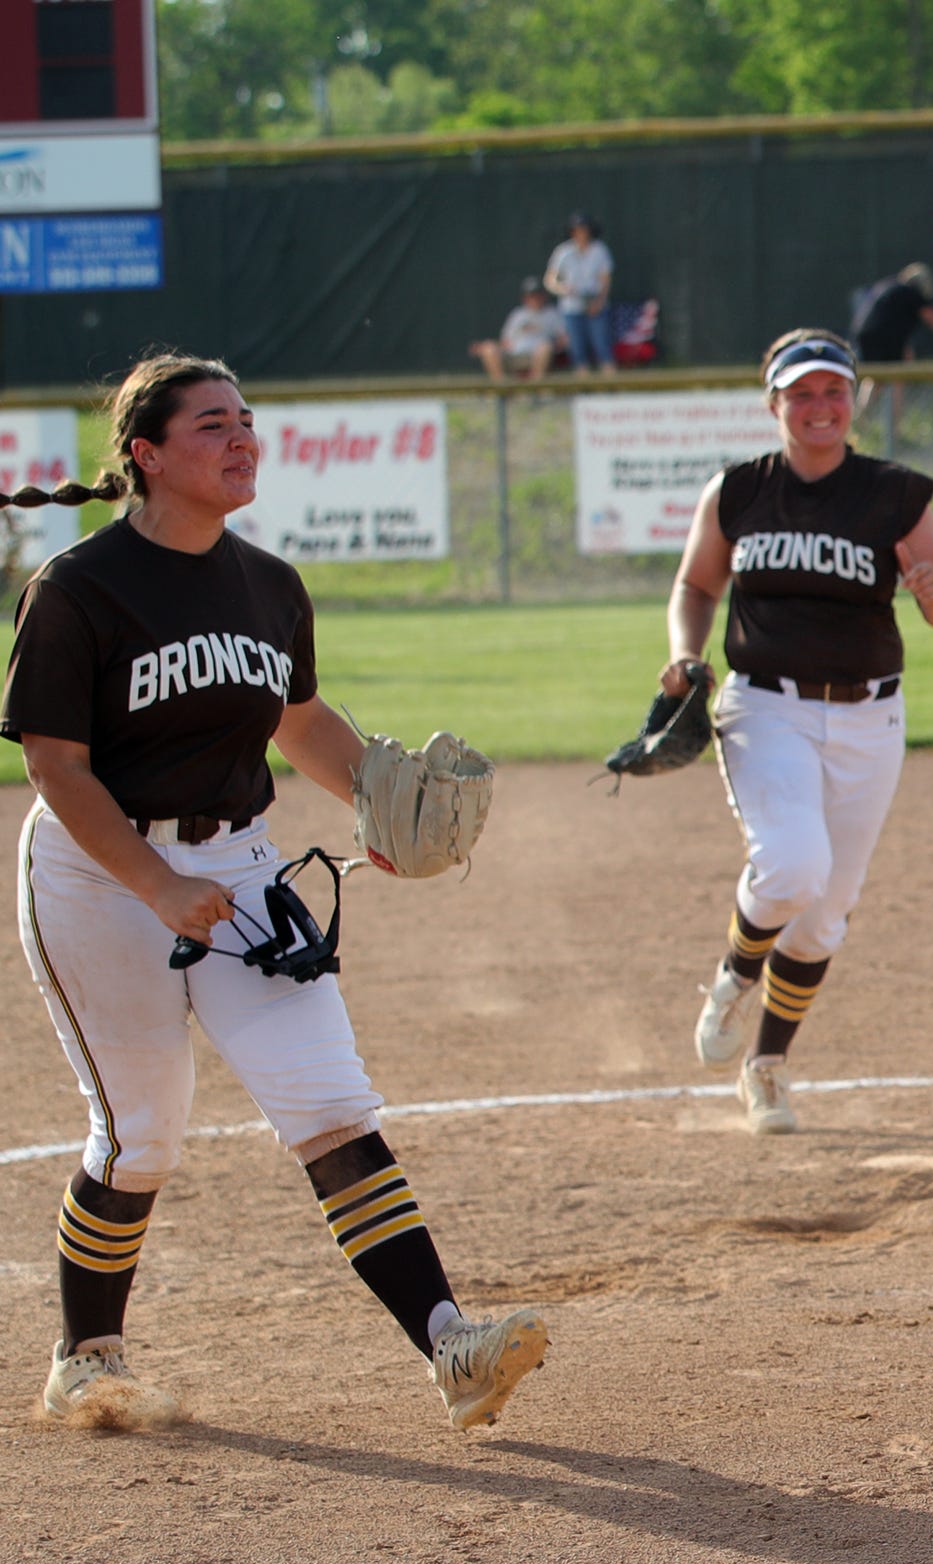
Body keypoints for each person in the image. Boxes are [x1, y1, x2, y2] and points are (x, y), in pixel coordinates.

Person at [0, 353, 549, 1431]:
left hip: (245, 865)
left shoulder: (267, 584)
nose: (242, 438)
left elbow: (297, 720)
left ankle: (451, 1346)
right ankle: (88, 1355)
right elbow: (56, 766)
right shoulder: (76, 590)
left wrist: (372, 803)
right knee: (141, 1133)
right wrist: (156, 883)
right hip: (97, 872)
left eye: (247, 421)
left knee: (330, 1103)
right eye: (213, 425)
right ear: (147, 456)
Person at [667, 330, 933, 1136]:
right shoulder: (737, 491)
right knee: (793, 865)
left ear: (853, 400)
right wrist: (683, 658)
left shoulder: (894, 494)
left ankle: (766, 1069)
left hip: (872, 715)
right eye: (801, 393)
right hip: (767, 705)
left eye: (833, 391)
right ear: (774, 405)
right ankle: (732, 980)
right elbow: (696, 585)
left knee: (825, 914)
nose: (819, 407)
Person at [849, 263, 933, 368]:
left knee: (876, 374)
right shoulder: (911, 292)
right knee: (902, 363)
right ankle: (898, 393)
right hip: (881, 337)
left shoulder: (890, 286)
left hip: (863, 334)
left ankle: (871, 393)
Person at [545, 213, 615, 374]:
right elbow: (550, 279)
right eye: (577, 229)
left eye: (584, 229)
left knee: (603, 347)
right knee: (577, 351)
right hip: (571, 308)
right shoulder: (563, 251)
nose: (581, 233)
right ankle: (583, 390)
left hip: (596, 306)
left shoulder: (599, 250)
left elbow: (605, 280)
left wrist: (598, 302)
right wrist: (564, 289)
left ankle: (612, 390)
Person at [470, 278, 567, 383]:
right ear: (525, 298)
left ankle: (535, 390)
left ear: (543, 296)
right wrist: (484, 346)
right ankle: (503, 390)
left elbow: (563, 340)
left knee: (545, 347)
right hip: (515, 355)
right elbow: (506, 342)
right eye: (530, 296)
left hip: (537, 356)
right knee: (488, 348)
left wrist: (555, 346)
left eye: (536, 295)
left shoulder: (552, 314)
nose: (534, 299)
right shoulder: (517, 315)